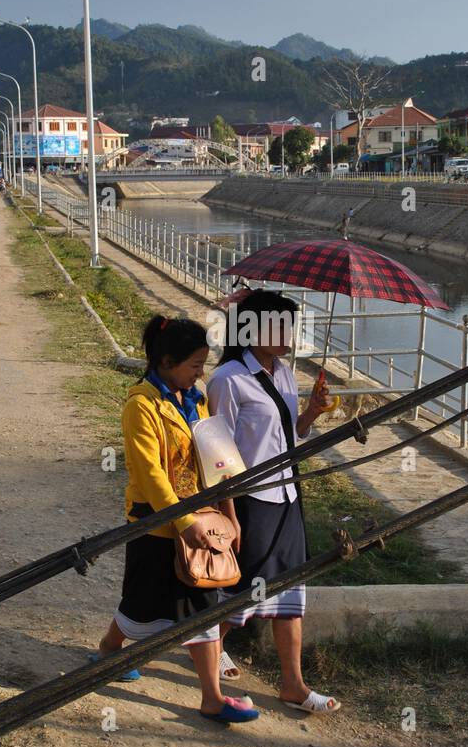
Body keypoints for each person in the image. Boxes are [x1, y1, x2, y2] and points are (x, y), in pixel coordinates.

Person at [95, 315, 259, 725]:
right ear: (167, 362)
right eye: (194, 365)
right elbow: (149, 475)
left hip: (201, 518)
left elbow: (218, 462)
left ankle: (209, 697)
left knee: (199, 601)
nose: (201, 374)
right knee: (143, 598)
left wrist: (228, 513)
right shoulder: (141, 406)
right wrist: (187, 522)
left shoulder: (197, 399)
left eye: (203, 365)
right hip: (157, 522)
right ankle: (113, 650)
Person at [207, 289, 341, 714]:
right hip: (250, 501)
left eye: (291, 326)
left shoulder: (283, 373)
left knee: (288, 590)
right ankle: (209, 654)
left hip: (287, 493)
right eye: (280, 325)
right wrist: (229, 517)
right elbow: (216, 454)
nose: (288, 334)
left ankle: (293, 685)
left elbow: (289, 435)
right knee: (239, 590)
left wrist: (313, 413)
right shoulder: (227, 379)